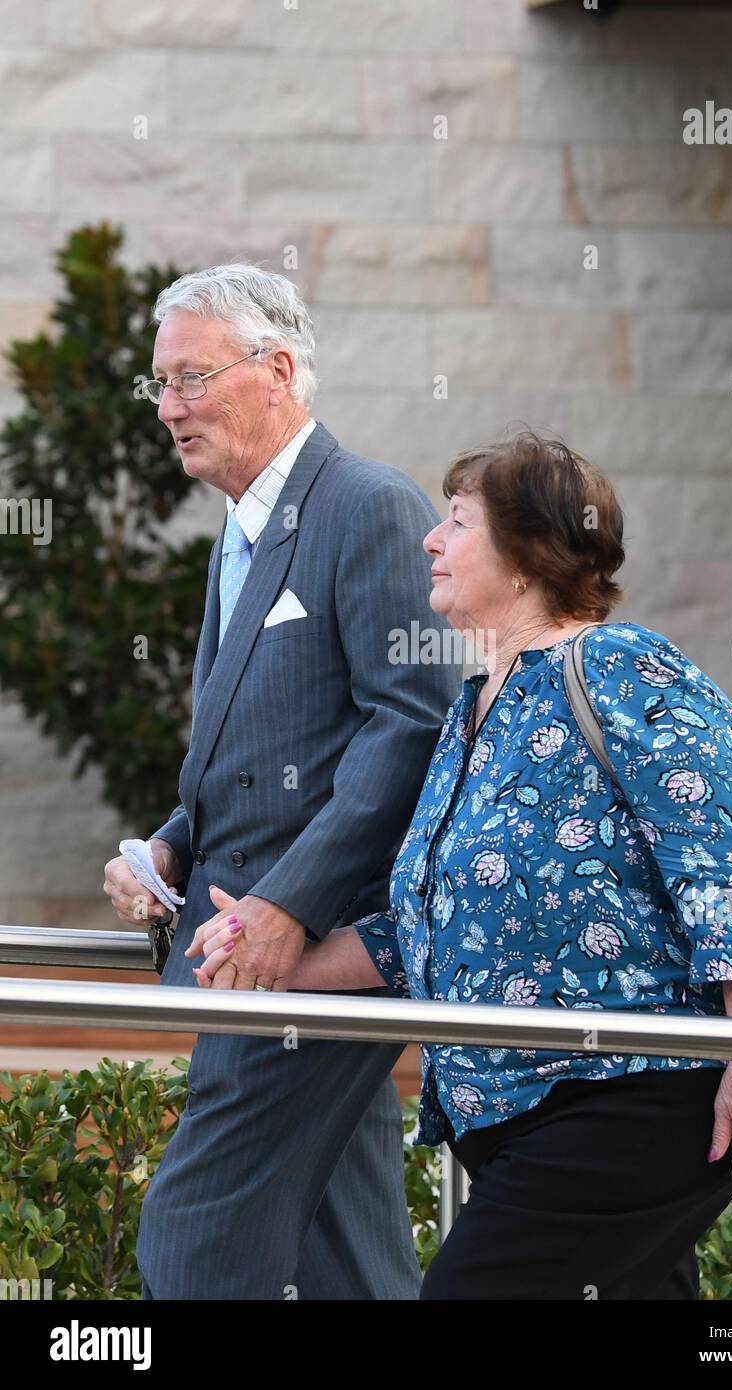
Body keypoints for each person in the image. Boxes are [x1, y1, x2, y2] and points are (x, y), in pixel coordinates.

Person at [194, 430, 732, 1300]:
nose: (430, 541)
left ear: (525, 558)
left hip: (626, 1101)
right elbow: (431, 934)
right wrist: (273, 951)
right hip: (527, 1120)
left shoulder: (618, 664)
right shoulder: (471, 715)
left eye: (456, 522)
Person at [102, 263, 461, 1300]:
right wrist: (168, 842)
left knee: (194, 1237)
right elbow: (269, 743)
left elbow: (411, 724)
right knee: (345, 1255)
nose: (168, 408)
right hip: (247, 947)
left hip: (303, 955)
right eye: (158, 385)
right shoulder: (243, 522)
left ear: (279, 369)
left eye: (190, 379)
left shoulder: (369, 503)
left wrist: (286, 905)